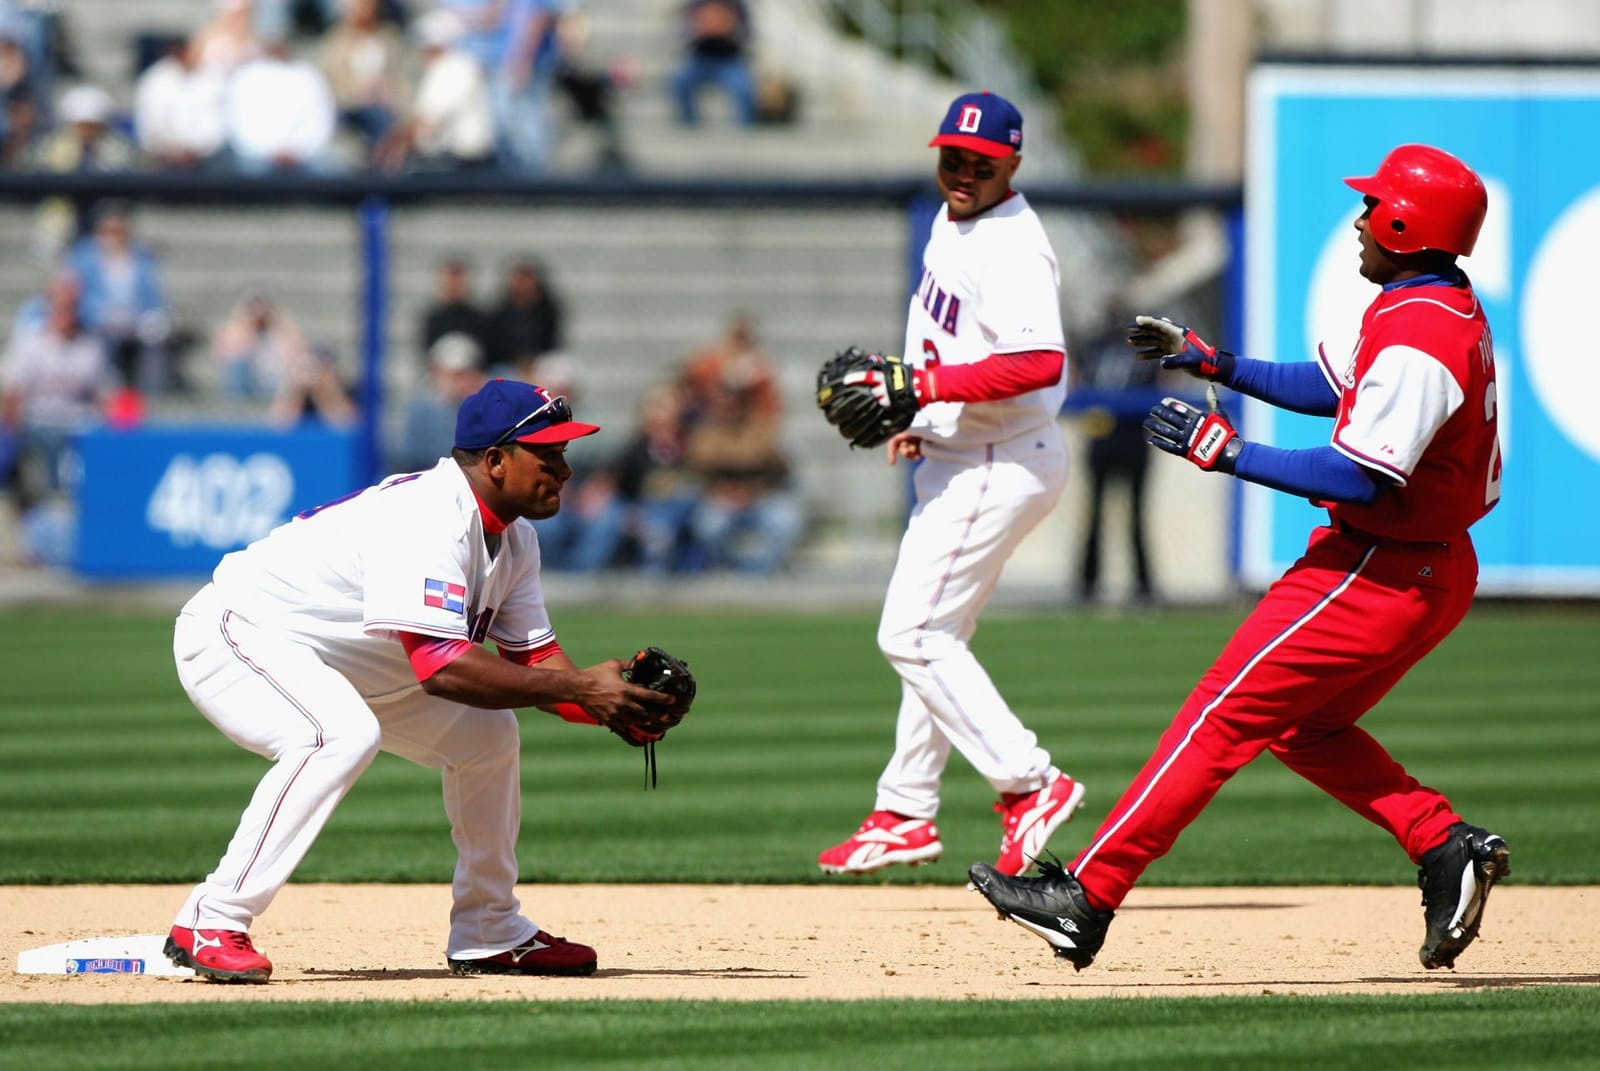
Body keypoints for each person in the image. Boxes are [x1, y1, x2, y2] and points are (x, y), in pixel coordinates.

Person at [968, 143, 1511, 974]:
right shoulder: (1424, 306)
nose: (1361, 218)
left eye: (1373, 206)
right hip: (1417, 563)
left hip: (1381, 564)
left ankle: (1087, 896)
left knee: (1220, 714)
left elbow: (1361, 475)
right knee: (1305, 726)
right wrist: (1213, 361)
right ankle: (1442, 843)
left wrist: (1229, 451)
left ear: (1408, 222)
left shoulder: (1421, 337)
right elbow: (1327, 383)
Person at [163, 378, 682, 983]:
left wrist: (618, 702)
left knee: (488, 736)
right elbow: (444, 669)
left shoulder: (516, 540)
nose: (564, 470)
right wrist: (583, 690)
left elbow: (539, 666)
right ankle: (210, 916)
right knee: (338, 735)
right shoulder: (428, 517)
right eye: (549, 454)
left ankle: (490, 930)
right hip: (240, 634)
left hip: (350, 663)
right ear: (495, 460)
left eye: (564, 454)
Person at [817, 92, 1082, 878]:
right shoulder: (955, 218)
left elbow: (1040, 361)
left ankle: (1030, 782)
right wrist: (921, 413)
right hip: (966, 451)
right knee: (939, 635)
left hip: (999, 461)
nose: (963, 171)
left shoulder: (1014, 244)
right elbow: (955, 338)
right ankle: (904, 809)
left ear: (1014, 165)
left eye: (981, 162)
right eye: (952, 157)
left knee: (912, 634)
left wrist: (924, 384)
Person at [1071, 309, 1160, 605]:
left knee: (1136, 515)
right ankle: (1087, 583)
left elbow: (1157, 390)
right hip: (1101, 440)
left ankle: (1143, 585)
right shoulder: (1095, 351)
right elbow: (1081, 384)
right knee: (1094, 513)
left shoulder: (1143, 355)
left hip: (1133, 439)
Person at [222, 32, 338, 174]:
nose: (277, 44)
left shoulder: (307, 74)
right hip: (257, 159)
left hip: (304, 158)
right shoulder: (246, 75)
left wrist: (297, 150)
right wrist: (271, 152)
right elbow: (239, 126)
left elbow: (320, 120)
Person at [669, 0, 755, 127]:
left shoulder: (737, 5)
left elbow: (748, 34)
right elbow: (681, 33)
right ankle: (689, 123)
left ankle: (746, 128)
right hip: (700, 59)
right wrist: (698, 31)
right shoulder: (695, 5)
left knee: (743, 90)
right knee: (680, 83)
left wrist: (729, 30)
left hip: (729, 59)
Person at [486, 257, 563, 373]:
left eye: (526, 278)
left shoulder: (547, 310)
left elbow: (551, 342)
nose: (522, 284)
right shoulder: (500, 312)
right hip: (508, 365)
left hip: (541, 364)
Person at [418, 256, 492, 369]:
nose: (454, 287)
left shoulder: (481, 320)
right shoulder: (433, 319)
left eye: (458, 282)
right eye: (450, 282)